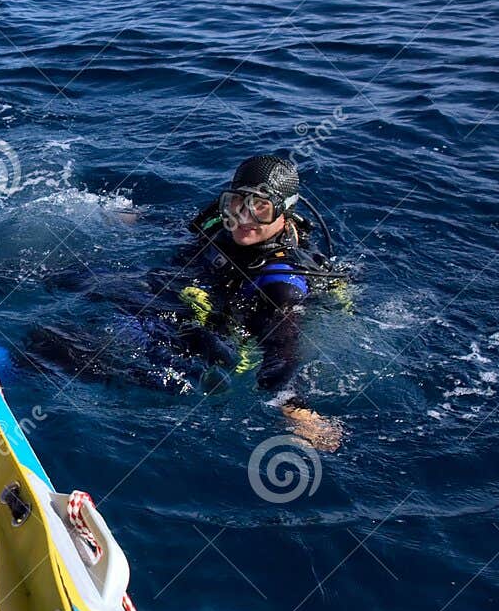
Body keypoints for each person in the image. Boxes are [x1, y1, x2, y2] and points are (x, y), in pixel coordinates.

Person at [24, 153, 344, 451]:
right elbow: (188, 231)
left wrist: (295, 407)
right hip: (175, 287)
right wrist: (138, 218)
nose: (245, 216)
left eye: (260, 207)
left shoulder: (281, 284)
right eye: (236, 202)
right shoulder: (226, 220)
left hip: (215, 327)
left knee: (66, 345)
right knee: (65, 276)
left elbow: (282, 347)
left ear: (284, 214)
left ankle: (20, 365)